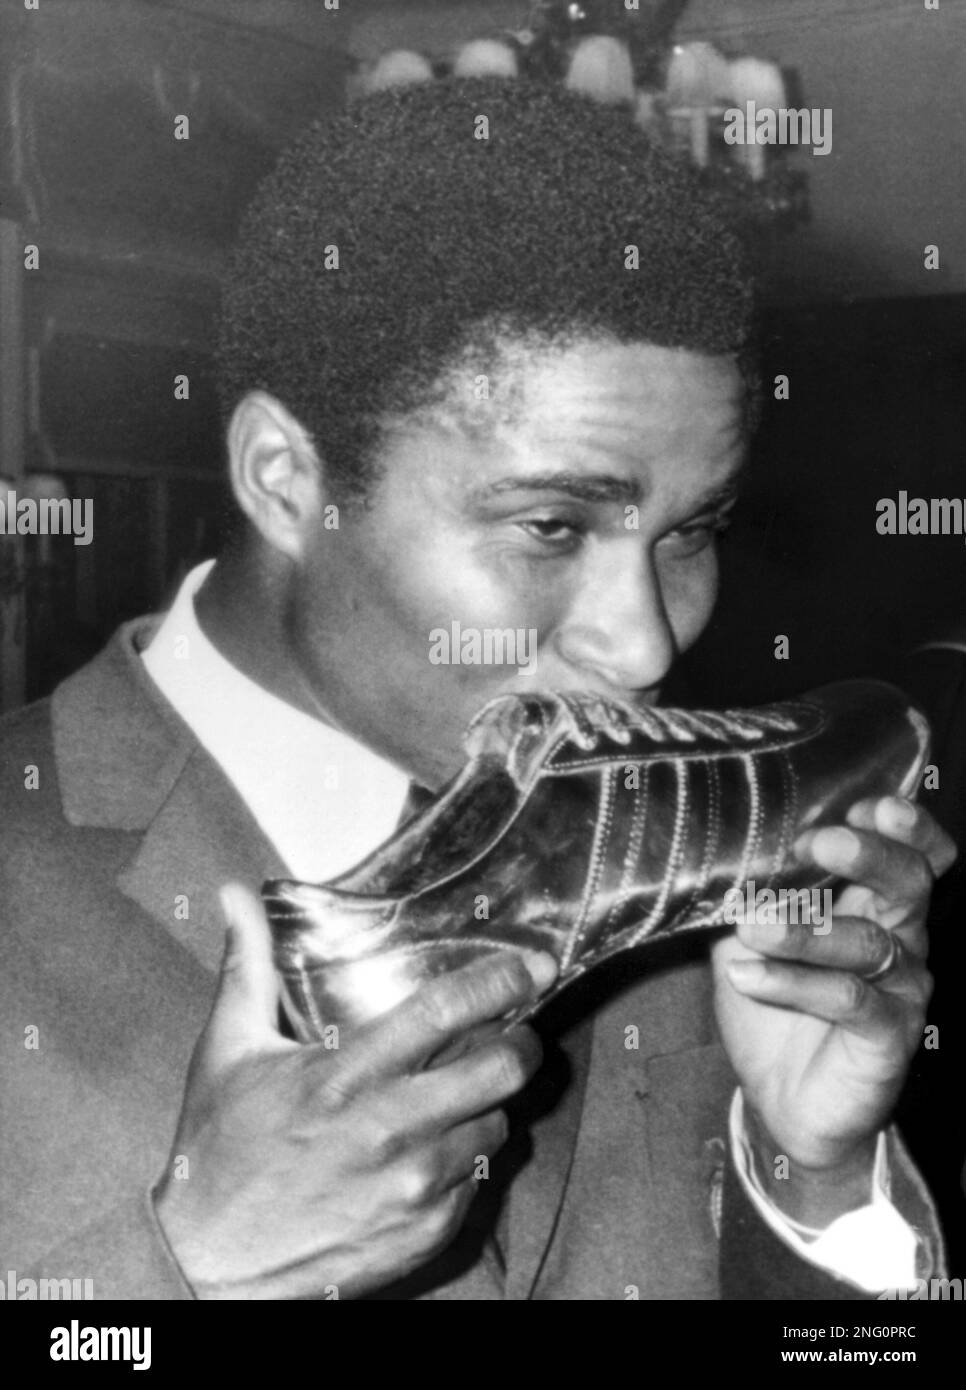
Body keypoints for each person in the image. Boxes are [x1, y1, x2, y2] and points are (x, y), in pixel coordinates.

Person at [0, 79, 955, 1301]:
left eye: (691, 529)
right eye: (554, 525)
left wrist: (814, 1180)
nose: (646, 646)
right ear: (287, 479)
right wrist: (189, 1275)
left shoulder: (715, 893)